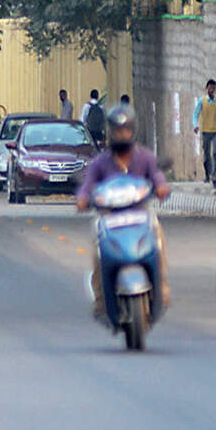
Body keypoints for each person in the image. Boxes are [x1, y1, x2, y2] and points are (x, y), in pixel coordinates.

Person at [76, 104, 171, 320]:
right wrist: (83, 198)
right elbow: (88, 183)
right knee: (98, 250)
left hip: (139, 214)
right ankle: (101, 299)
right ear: (110, 132)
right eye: (117, 130)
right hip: (110, 217)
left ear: (133, 130)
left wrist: (162, 187)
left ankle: (162, 288)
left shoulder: (144, 157)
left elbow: (157, 176)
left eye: (126, 130)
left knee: (158, 241)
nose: (122, 134)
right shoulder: (101, 162)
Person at [192, 78, 216, 182]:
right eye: (210, 88)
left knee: (215, 153)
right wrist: (195, 125)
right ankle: (207, 175)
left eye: (214, 88)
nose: (212, 90)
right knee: (206, 154)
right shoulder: (202, 101)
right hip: (205, 131)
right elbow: (195, 114)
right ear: (206, 88)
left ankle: (214, 175)